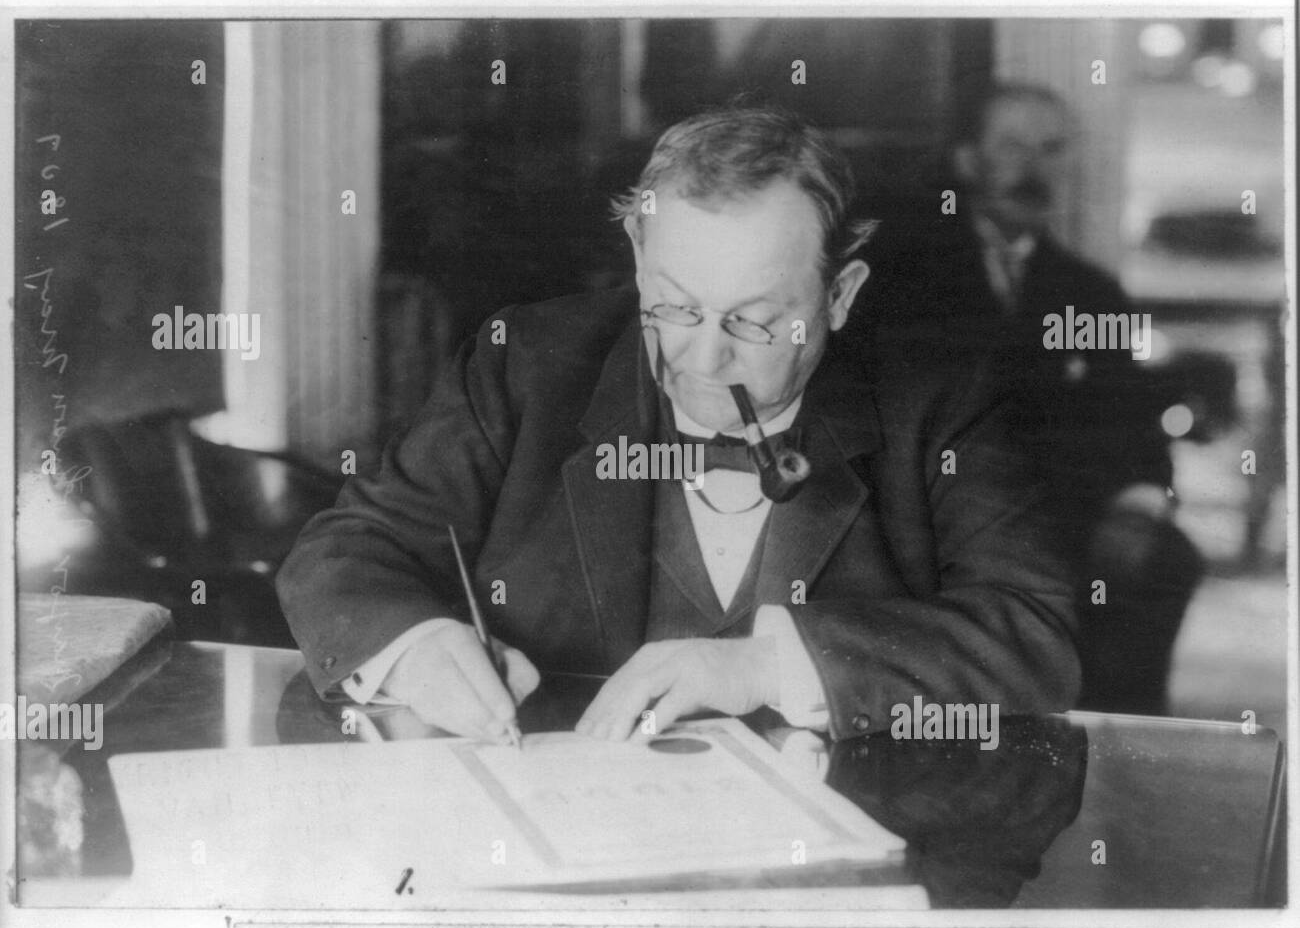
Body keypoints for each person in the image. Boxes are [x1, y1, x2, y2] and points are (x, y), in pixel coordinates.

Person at [276, 103, 1081, 744]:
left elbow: (1036, 633)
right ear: (636, 253)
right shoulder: (527, 363)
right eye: (673, 305)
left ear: (840, 295)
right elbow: (345, 552)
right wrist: (414, 649)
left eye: (756, 322)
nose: (701, 358)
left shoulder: (938, 400)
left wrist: (770, 667)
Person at [857, 82, 1203, 714]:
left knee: (1159, 559)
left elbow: (1137, 429)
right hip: (934, 513)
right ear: (968, 161)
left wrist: (1137, 508)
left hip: (1062, 526)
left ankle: (1122, 753)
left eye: (1051, 149)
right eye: (1013, 146)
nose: (1033, 167)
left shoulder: (1091, 293)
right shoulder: (899, 272)